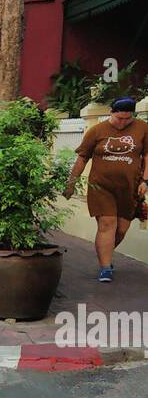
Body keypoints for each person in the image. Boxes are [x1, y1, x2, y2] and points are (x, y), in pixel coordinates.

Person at [65, 96, 148, 282]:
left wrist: (146, 181)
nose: (123, 123)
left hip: (130, 188)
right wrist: (71, 183)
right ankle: (105, 268)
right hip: (101, 186)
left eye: (128, 119)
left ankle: (106, 254)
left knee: (121, 229)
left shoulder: (143, 128)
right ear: (111, 112)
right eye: (119, 118)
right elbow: (82, 158)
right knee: (107, 224)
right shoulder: (96, 131)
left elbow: (147, 155)